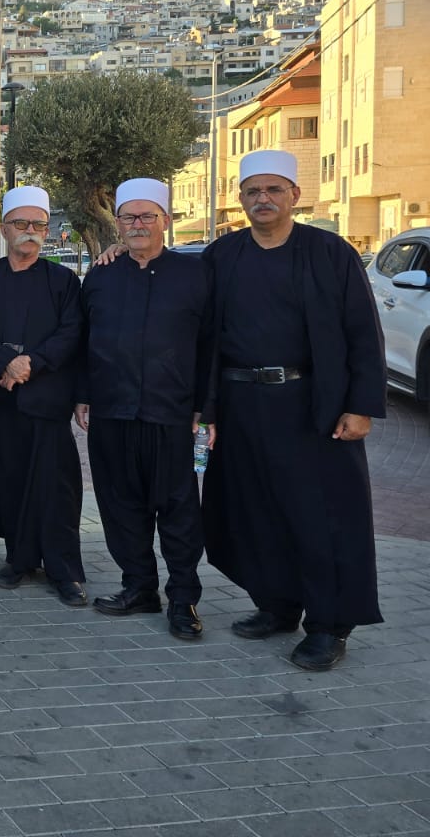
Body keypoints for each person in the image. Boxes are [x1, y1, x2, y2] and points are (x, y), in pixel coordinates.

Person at [200, 149, 385, 671]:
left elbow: (361, 335)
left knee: (323, 517)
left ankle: (328, 626)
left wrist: (360, 405)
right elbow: (202, 333)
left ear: (295, 196)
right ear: (240, 199)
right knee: (256, 511)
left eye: (274, 190)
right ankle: (277, 605)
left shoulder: (331, 253)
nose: (263, 199)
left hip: (315, 408)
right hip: (241, 407)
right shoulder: (222, 255)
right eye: (253, 191)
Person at [76, 177, 211, 640]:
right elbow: (83, 341)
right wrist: (82, 393)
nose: (137, 224)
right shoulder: (101, 275)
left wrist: (205, 407)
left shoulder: (195, 275)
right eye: (128, 217)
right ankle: (138, 587)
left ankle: (184, 599)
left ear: (166, 221)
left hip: (170, 413)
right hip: (111, 412)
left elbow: (212, 346)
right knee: (120, 508)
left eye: (146, 216)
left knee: (177, 511)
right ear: (117, 224)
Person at [0, 185, 86, 605]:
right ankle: (18, 559)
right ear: (3, 228)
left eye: (38, 225)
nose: (30, 232)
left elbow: (71, 332)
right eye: (21, 224)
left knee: (56, 487)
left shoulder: (62, 280)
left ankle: (64, 570)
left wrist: (30, 363)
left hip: (46, 396)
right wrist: (3, 364)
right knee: (7, 481)